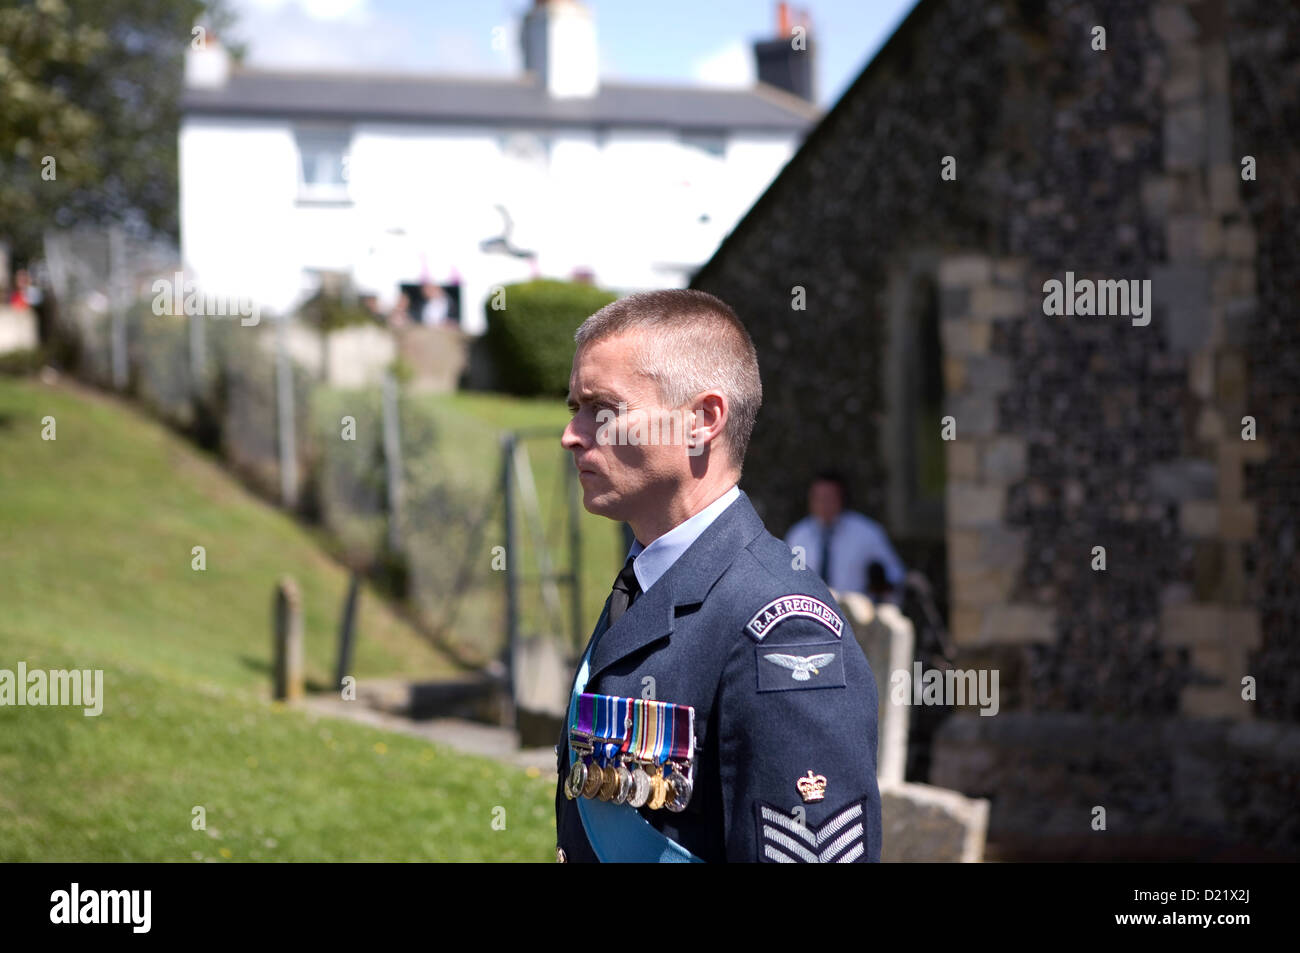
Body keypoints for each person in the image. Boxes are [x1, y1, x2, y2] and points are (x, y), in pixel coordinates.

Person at [555, 289, 881, 863]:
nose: (573, 434)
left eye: (602, 410)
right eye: (574, 408)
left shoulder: (783, 627)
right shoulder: (646, 581)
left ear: (701, 421)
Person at [785, 472, 906, 605]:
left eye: (829, 498)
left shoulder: (867, 533)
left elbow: (894, 577)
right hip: (812, 616)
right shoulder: (798, 536)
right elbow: (791, 579)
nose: (823, 504)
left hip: (857, 619)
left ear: (842, 499)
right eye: (818, 498)